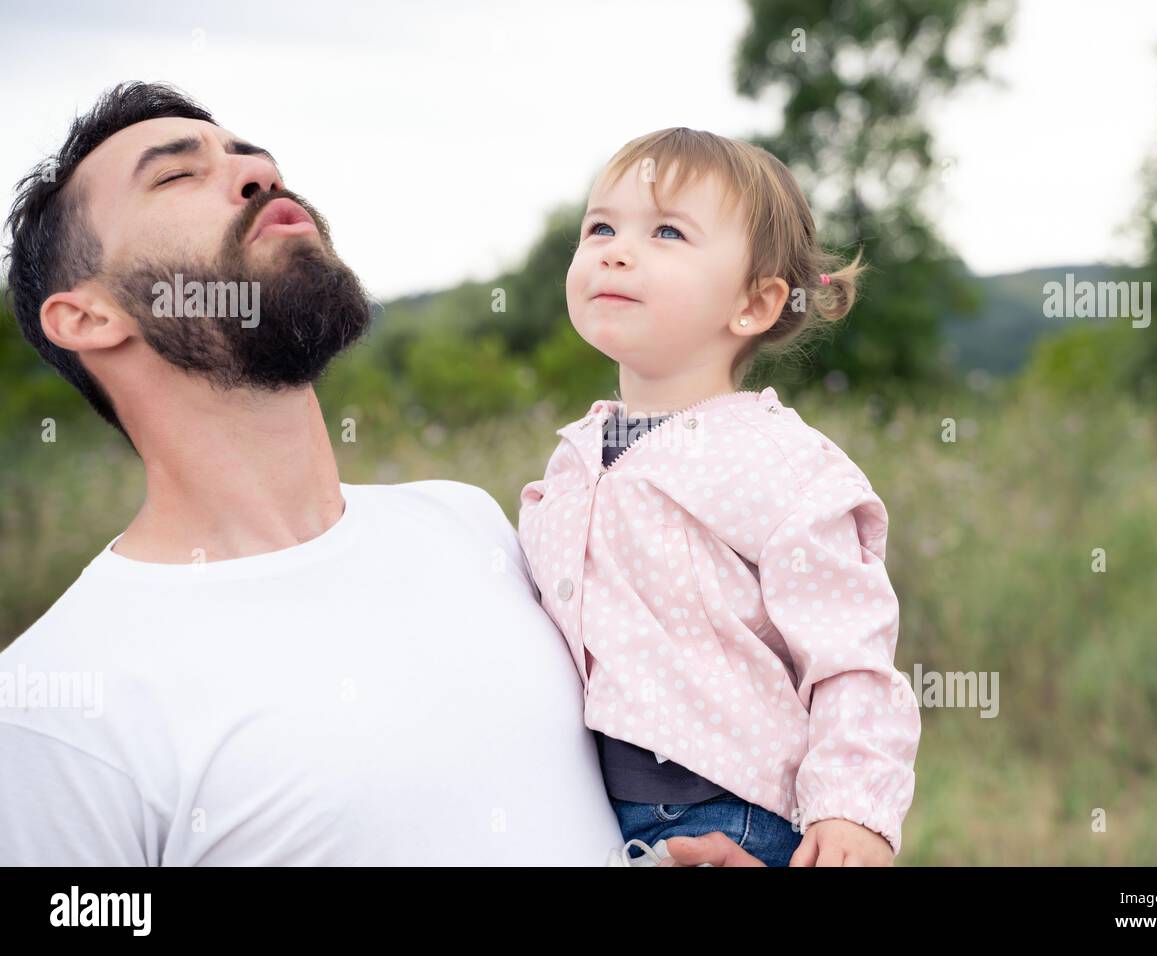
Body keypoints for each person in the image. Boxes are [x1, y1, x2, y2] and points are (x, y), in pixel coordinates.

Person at [0, 83, 759, 866]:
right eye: (177, 176)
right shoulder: (50, 708)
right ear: (87, 316)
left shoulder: (468, 526)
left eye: (251, 155)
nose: (258, 171)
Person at [518, 128, 922, 866]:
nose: (615, 248)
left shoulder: (780, 463)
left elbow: (850, 657)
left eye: (668, 231)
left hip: (731, 817)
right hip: (588, 815)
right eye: (601, 227)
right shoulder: (576, 457)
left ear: (755, 303)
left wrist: (853, 810)